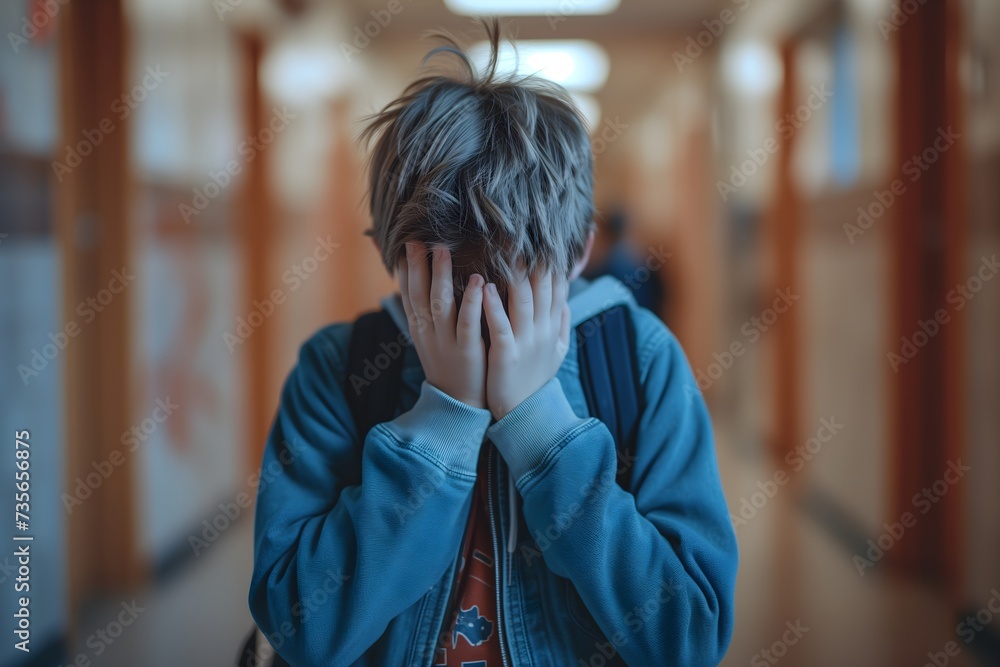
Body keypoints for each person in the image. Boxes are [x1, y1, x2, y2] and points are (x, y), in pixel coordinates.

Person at [248, 20, 737, 667]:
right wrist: (441, 418)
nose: (484, 328)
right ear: (391, 259)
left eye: (514, 292)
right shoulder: (337, 369)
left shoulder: (641, 361)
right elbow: (304, 629)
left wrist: (544, 430)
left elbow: (687, 636)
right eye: (446, 291)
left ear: (579, 253)